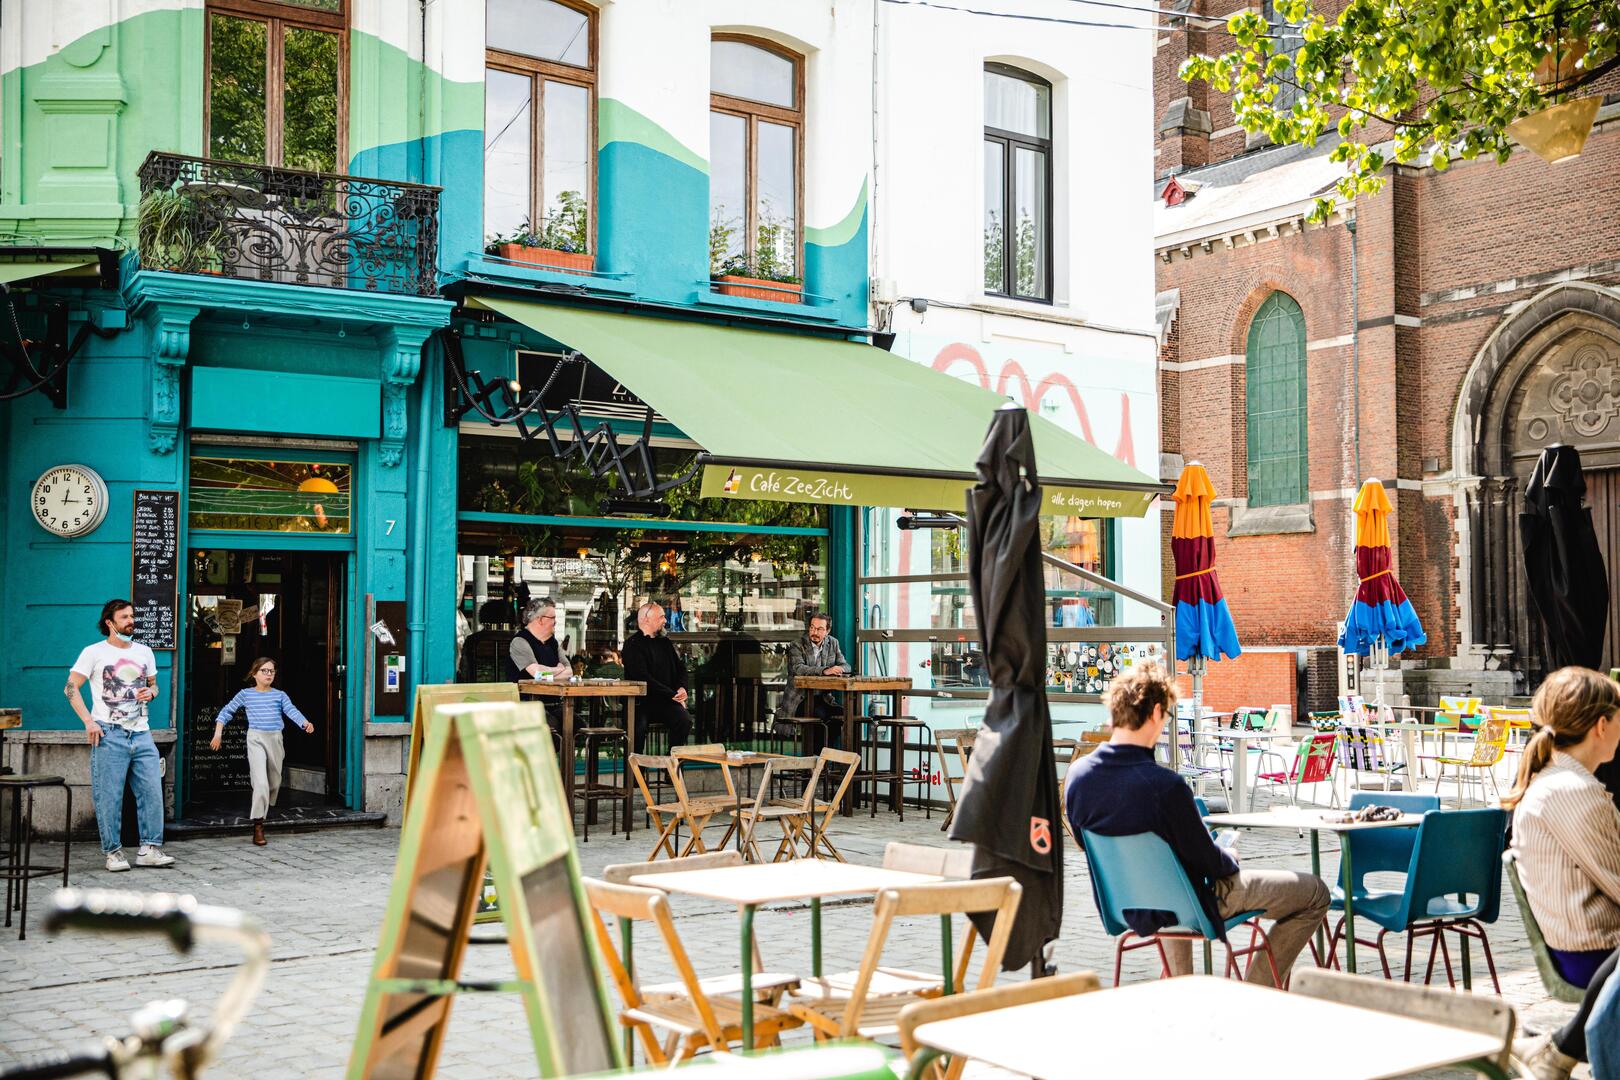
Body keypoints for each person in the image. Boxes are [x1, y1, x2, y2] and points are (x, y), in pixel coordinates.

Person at [1064, 663, 1328, 986]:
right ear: (1156, 712)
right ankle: (1256, 991)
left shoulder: (1077, 778)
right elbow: (1210, 863)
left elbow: (1084, 843)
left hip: (1127, 904)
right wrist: (1228, 855)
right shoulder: (1165, 787)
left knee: (1170, 883)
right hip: (1193, 902)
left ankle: (1182, 992)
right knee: (1315, 893)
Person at [1504, 667, 1620, 1080]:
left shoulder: (1560, 780)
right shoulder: (1574, 791)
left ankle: (1559, 1048)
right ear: (1602, 725)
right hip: (1592, 951)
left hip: (1581, 942)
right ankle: (1561, 1050)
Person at [65, 599, 176, 872]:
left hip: (141, 733)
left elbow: (154, 686)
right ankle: (113, 853)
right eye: (124, 617)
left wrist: (152, 692)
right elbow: (70, 687)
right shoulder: (94, 653)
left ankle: (149, 849)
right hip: (108, 733)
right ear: (109, 623)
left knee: (151, 792)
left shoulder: (145, 652)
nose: (131, 620)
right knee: (109, 796)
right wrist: (89, 722)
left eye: (132, 616)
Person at [209, 657, 315, 847]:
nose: (268, 674)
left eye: (271, 671)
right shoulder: (245, 694)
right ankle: (258, 825)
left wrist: (304, 723)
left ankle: (265, 804)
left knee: (274, 782)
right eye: (264, 671)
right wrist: (218, 734)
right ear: (254, 673)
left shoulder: (280, 695)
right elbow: (226, 712)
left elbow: (291, 710)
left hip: (275, 738)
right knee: (261, 783)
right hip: (255, 738)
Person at [622, 603, 693, 751]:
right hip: (640, 703)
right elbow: (642, 678)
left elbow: (681, 668)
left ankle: (671, 768)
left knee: (684, 720)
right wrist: (673, 695)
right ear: (646, 620)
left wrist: (682, 688)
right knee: (637, 730)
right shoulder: (632, 644)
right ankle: (636, 772)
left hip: (665, 701)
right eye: (661, 617)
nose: (665, 621)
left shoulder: (664, 642)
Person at [775, 612, 851, 747]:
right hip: (799, 701)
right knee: (820, 716)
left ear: (827, 631)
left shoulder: (833, 643)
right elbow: (799, 668)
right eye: (812, 627)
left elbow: (845, 665)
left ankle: (824, 757)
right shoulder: (797, 645)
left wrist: (840, 670)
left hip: (822, 699)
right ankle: (816, 759)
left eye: (820, 629)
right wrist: (825, 670)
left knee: (843, 715)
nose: (814, 632)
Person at [507, 596, 572, 683]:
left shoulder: (553, 642)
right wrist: (559, 669)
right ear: (540, 620)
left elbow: (569, 672)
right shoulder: (520, 641)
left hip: (553, 695)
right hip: (529, 696)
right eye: (553, 618)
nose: (556, 622)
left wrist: (546, 675)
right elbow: (537, 673)